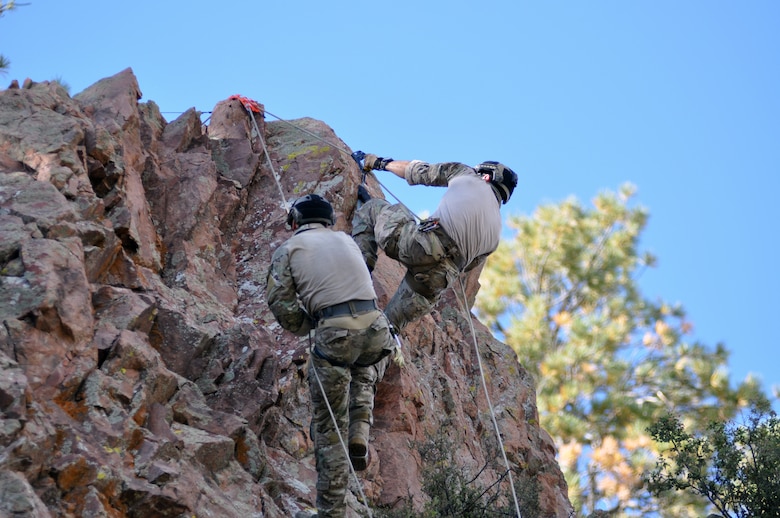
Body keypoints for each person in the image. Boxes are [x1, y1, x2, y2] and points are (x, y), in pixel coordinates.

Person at [265, 193, 397, 518]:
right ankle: (360, 433)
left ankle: (331, 513)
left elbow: (279, 301)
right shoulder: (346, 240)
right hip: (378, 328)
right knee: (364, 369)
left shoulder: (289, 249)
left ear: (293, 222)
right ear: (328, 221)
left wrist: (310, 323)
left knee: (329, 429)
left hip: (335, 331)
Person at [351, 153, 517, 332]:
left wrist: (380, 163)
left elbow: (418, 171)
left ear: (486, 176)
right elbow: (468, 266)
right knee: (386, 331)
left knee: (373, 208)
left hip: (421, 245)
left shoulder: (467, 174)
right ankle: (375, 347)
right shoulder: (496, 233)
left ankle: (355, 281)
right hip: (438, 279)